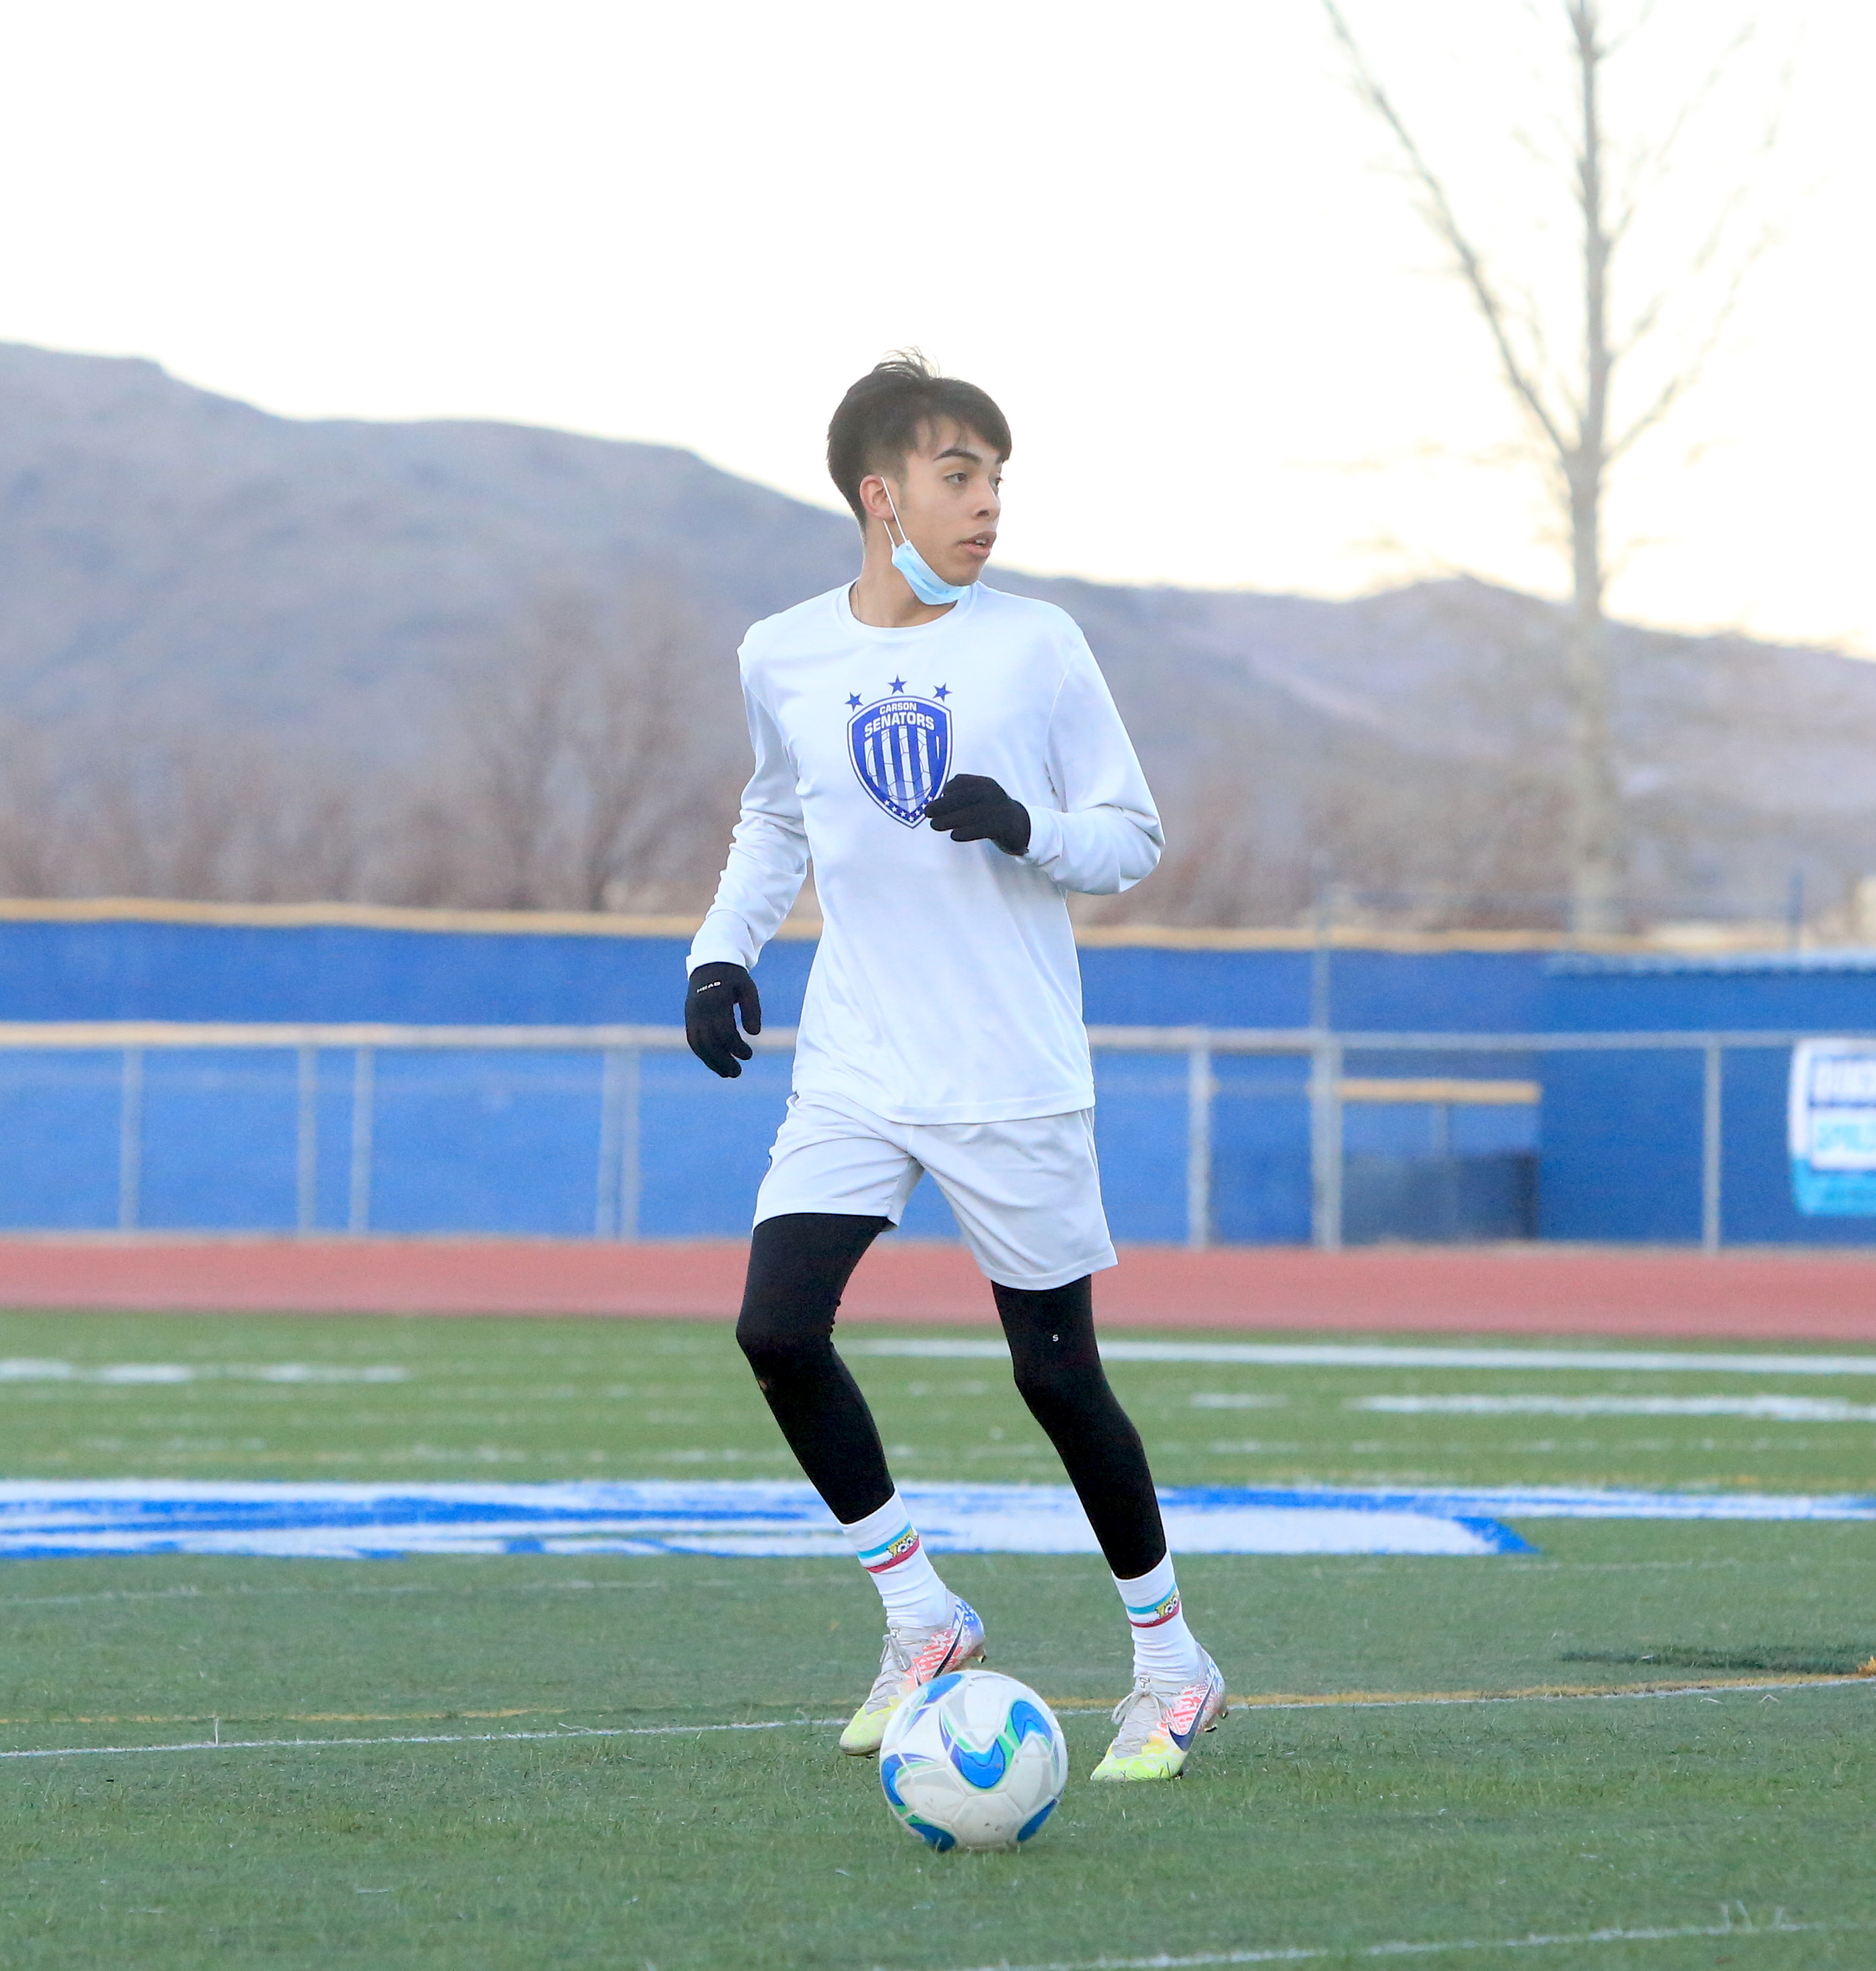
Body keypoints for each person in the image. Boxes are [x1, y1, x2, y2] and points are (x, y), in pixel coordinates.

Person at [684, 353, 1226, 1781]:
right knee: (775, 1331)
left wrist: (1029, 823)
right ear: (881, 495)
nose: (986, 503)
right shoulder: (779, 651)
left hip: (1009, 1070)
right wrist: (717, 954)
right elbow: (772, 819)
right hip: (856, 1061)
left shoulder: (1035, 645)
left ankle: (1170, 1661)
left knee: (1053, 1378)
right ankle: (919, 1615)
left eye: (994, 477)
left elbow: (1129, 834)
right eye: (957, 475)